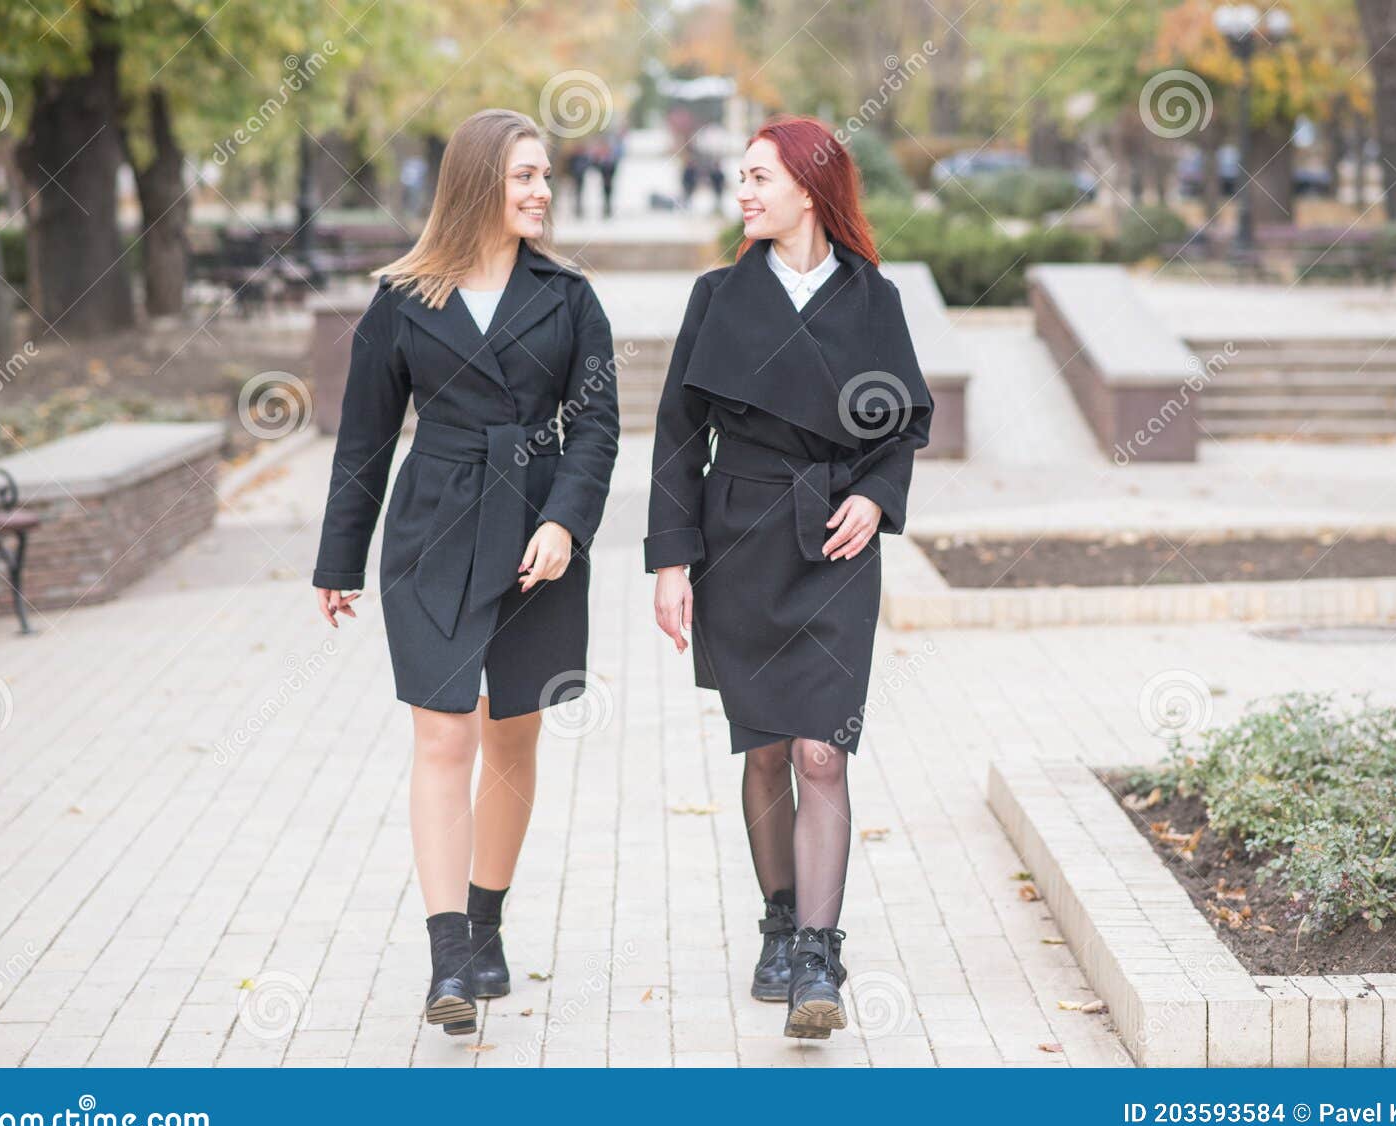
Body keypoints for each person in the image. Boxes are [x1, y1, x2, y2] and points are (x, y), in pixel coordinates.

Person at [312, 108, 620, 1037]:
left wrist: (567, 521)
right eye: (524, 175)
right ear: (479, 181)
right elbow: (363, 442)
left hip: (537, 537)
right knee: (443, 739)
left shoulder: (569, 296)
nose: (540, 192)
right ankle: (449, 957)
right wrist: (339, 560)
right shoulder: (402, 299)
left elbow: (597, 427)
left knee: (512, 742)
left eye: (545, 178)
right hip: (433, 531)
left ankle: (487, 923)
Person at [645, 115, 932, 1039]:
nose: (745, 193)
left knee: (822, 750)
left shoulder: (872, 299)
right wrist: (670, 560)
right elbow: (678, 437)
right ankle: (776, 925)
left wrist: (879, 498)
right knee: (765, 745)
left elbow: (903, 422)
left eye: (759, 177)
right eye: (742, 179)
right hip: (740, 536)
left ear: (809, 187)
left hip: (836, 543)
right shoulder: (717, 295)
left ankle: (818, 952)